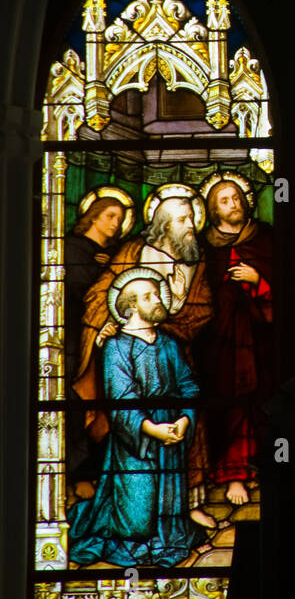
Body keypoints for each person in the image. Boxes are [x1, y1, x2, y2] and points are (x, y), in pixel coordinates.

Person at [74, 184, 215, 528]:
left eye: (192, 218)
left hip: (175, 349)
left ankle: (188, 501)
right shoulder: (135, 249)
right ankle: (129, 502)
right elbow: (101, 292)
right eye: (183, 219)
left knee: (190, 425)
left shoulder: (196, 258)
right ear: (165, 223)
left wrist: (170, 324)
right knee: (126, 419)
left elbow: (205, 306)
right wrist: (111, 322)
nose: (190, 226)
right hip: (131, 346)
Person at [67, 269, 206, 568]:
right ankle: (127, 538)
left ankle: (165, 539)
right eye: (148, 296)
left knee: (168, 506)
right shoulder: (116, 347)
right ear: (130, 307)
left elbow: (189, 385)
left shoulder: (168, 343)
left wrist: (184, 420)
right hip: (135, 440)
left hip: (171, 430)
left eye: (157, 293)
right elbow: (122, 398)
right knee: (135, 504)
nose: (158, 299)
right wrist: (151, 430)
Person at [200, 173, 274, 507]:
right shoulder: (204, 245)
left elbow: (293, 288)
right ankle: (231, 474)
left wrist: (259, 280)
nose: (234, 204)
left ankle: (264, 467)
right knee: (226, 403)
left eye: (237, 197)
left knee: (260, 401)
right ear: (213, 210)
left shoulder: (266, 238)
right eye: (225, 200)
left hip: (262, 339)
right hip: (216, 341)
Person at [64, 187, 134, 495]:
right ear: (92, 216)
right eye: (109, 216)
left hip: (107, 341)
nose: (115, 224)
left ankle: (102, 472)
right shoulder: (72, 249)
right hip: (75, 339)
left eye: (120, 219)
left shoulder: (112, 255)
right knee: (79, 401)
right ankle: (78, 473)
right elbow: (85, 290)